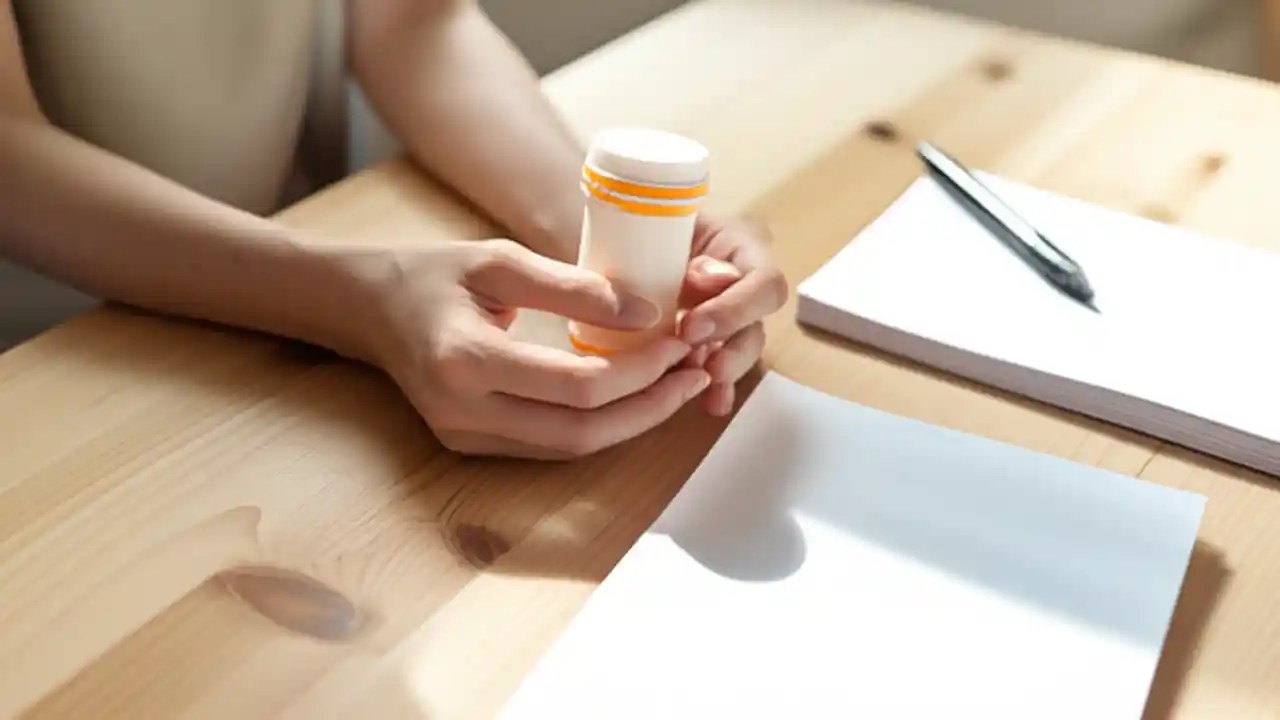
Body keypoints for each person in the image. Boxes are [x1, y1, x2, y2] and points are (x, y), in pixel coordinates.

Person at [0, 0, 787, 459]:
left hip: (276, 326)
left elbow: (410, 23)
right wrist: (357, 299)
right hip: (45, 373)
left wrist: (607, 237)